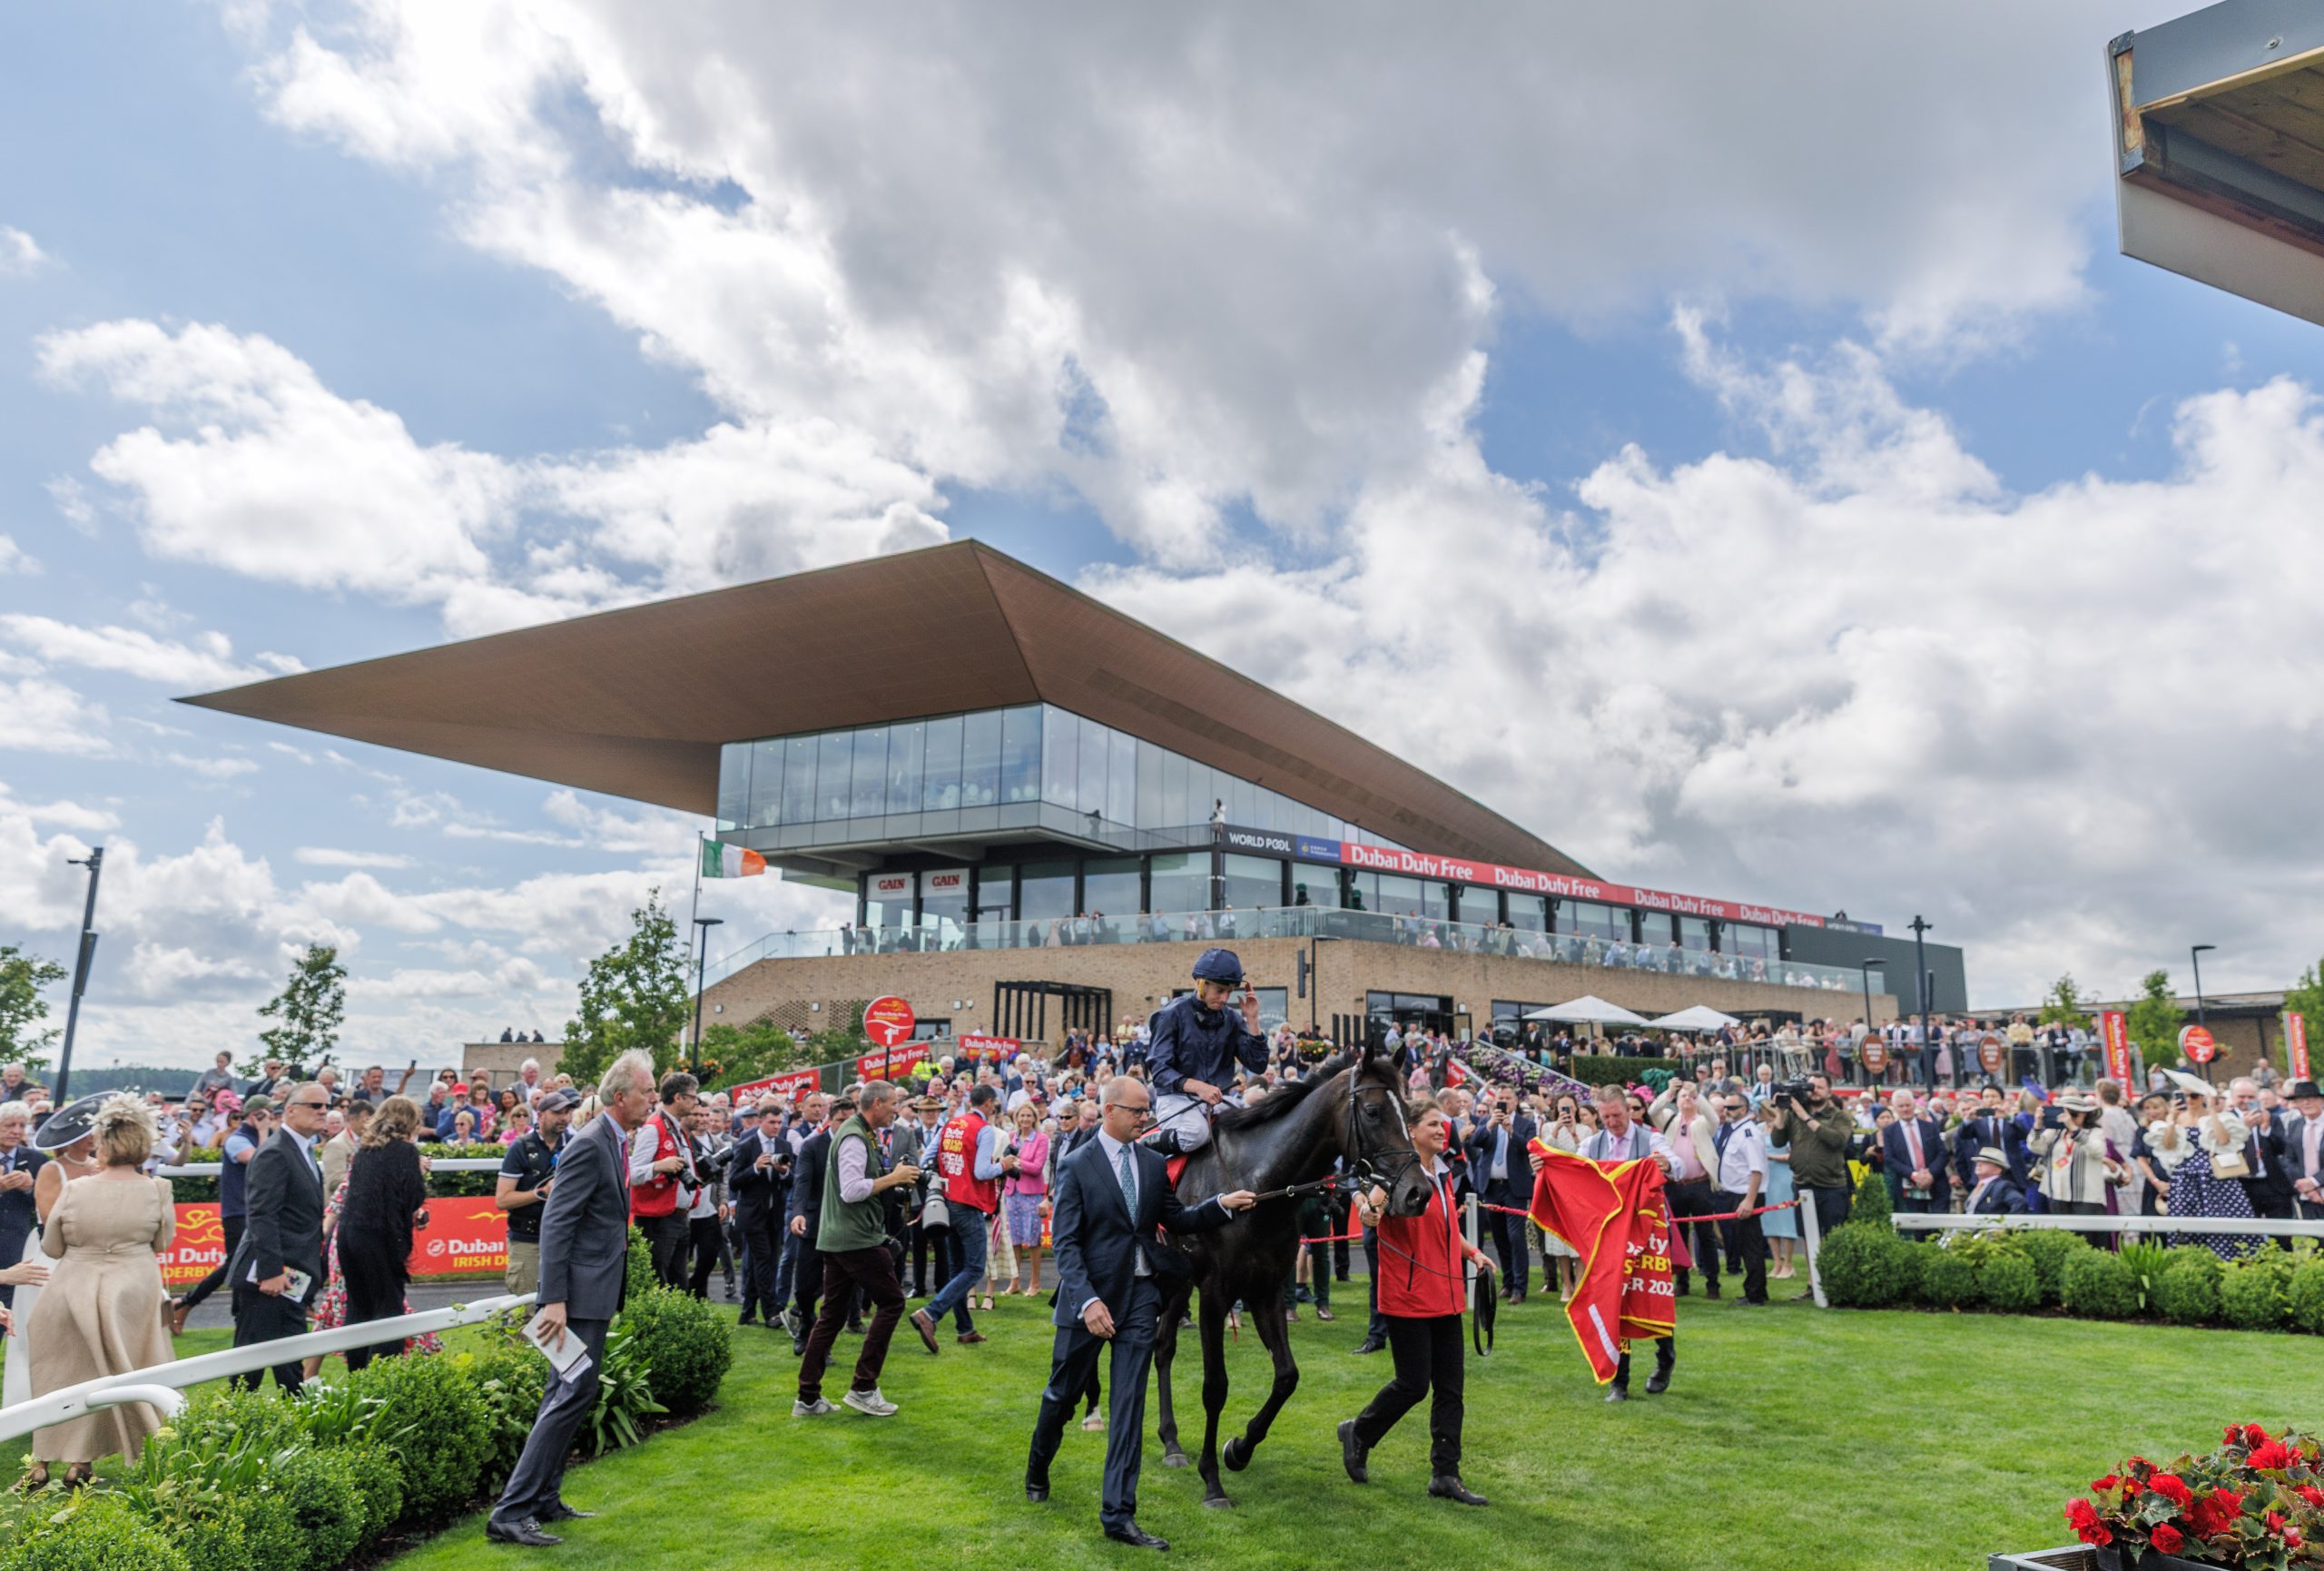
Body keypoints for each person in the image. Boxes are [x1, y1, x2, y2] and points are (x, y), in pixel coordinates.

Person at [1023, 1076, 1256, 1550]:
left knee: (1128, 1409)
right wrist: (1088, 1301)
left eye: (1147, 1109)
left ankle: (1118, 1516)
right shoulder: (1075, 1165)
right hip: (1088, 1301)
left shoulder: (1152, 1164)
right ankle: (1038, 1465)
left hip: (1140, 1298)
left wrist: (1220, 1205)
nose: (1146, 1117)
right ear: (1110, 1111)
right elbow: (1065, 1244)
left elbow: (1179, 1219)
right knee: (1062, 1398)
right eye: (1137, 1111)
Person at [487, 1050, 655, 1547]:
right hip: (575, 1297)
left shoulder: (613, 1139)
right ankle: (511, 1512)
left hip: (590, 1292)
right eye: (647, 1091)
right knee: (575, 1391)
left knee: (561, 1391)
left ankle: (542, 1499)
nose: (653, 1099)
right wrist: (553, 1299)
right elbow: (557, 1223)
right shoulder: (590, 1143)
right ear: (620, 1097)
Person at [1340, 1097, 1492, 1507]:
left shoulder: (1442, 1174)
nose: (1442, 1131)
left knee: (1450, 1389)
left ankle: (1446, 1473)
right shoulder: (1395, 1174)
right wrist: (1366, 1210)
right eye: (1432, 1125)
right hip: (1407, 1297)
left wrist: (1472, 1253)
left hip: (1445, 1296)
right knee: (1412, 1384)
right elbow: (1370, 1208)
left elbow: (1446, 1229)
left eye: (1443, 1125)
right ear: (1411, 1132)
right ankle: (1360, 1432)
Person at [24, 1097, 175, 1487]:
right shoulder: (158, 1188)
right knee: (131, 1374)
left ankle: (51, 1462)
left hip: (72, 1289)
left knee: (64, 1377)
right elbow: (163, 1242)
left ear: (101, 1142)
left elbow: (53, 1246)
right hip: (132, 1293)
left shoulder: (77, 1190)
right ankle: (88, 1462)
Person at [1539, 1083, 1677, 1402]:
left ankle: (1665, 1358)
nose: (1613, 1122)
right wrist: (1544, 1166)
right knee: (1614, 1305)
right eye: (1606, 1117)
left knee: (1652, 1301)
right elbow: (1573, 1175)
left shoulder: (1650, 1139)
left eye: (1617, 1115)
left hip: (1648, 1238)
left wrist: (1665, 1165)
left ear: (1629, 1110)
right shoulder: (1592, 1144)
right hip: (1610, 1239)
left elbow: (1677, 1166)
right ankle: (1620, 1381)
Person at [794, 1082, 920, 1418]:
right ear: (876, 1103)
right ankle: (863, 1388)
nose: (896, 1109)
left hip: (839, 1238)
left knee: (831, 1317)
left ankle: (807, 1397)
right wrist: (893, 1178)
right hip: (855, 1238)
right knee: (893, 1302)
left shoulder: (859, 1132)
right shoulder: (853, 1136)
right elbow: (851, 1190)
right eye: (893, 1103)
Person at [224, 1082, 328, 1394]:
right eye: (315, 1106)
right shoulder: (275, 1152)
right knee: (248, 1369)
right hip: (266, 1278)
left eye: (326, 1105)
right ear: (291, 1110)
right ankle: (230, 1431)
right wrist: (271, 1272)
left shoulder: (301, 1149)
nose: (323, 1111)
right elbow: (261, 1215)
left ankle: (301, 1428)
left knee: (290, 1363)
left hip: (291, 1276)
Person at [1141, 949, 1269, 1157]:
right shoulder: (1171, 1015)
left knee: (1255, 1127)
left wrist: (1253, 1021)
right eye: (1219, 990)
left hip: (1216, 1101)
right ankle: (1142, 1146)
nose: (1225, 998)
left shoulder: (1232, 1019)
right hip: (1176, 1098)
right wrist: (1198, 1087)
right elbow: (1159, 1070)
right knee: (1196, 1134)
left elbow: (1258, 1064)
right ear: (1201, 983)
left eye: (1229, 992)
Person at [911, 1083, 1008, 1352]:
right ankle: (930, 1313)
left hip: (946, 1200)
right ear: (988, 1103)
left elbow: (927, 1159)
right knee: (975, 1268)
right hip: (968, 1203)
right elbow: (982, 1172)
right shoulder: (984, 1129)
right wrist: (1005, 1165)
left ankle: (965, 1329)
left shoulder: (950, 1124)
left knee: (957, 1270)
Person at [337, 1095, 429, 1371]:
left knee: (358, 1306)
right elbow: (414, 1196)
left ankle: (357, 1377)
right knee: (389, 1309)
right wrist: (419, 1170)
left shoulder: (365, 1149)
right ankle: (381, 1380)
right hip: (379, 1237)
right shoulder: (405, 1152)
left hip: (349, 1235)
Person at [171, 1094, 273, 1333]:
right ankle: (187, 1303)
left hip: (251, 1211)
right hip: (238, 1212)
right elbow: (262, 1161)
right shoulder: (237, 1140)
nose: (273, 1118)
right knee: (236, 1264)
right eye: (268, 1114)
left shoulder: (257, 1137)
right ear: (256, 1115)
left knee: (242, 1264)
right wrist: (264, 1131)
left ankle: (230, 1314)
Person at [629, 1072, 701, 1289]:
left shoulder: (676, 1128)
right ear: (678, 1097)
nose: (696, 1102)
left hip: (678, 1216)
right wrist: (659, 1166)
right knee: (659, 1281)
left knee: (679, 1282)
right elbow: (631, 1173)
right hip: (659, 1219)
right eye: (692, 1097)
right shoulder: (654, 1128)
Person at [1463, 1088, 1536, 1304]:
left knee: (1515, 1237)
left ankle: (1520, 1288)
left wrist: (1512, 1131)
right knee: (1500, 1238)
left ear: (1515, 1102)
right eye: (1500, 1099)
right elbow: (1475, 1142)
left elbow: (1529, 1148)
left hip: (1514, 1189)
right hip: (1492, 1188)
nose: (1503, 1102)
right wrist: (1490, 1124)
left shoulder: (1526, 1124)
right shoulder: (1488, 1121)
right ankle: (1508, 1282)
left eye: (1507, 1099)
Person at [729, 1101, 791, 1327]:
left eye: (779, 1123)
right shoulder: (746, 1145)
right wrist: (755, 1168)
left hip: (775, 1214)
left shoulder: (784, 1145)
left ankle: (747, 1312)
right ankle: (771, 1312)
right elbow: (734, 1181)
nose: (776, 1127)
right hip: (752, 1215)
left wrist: (784, 1172)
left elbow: (791, 1181)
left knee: (762, 1263)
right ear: (760, 1121)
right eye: (772, 1122)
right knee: (765, 1261)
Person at [1772, 1074, 1853, 1240]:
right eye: (1810, 1087)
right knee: (1809, 1238)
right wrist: (1780, 1112)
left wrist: (1806, 1117)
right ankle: (1812, 1268)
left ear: (1829, 1092)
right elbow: (1777, 1141)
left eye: (1820, 1087)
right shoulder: (1794, 1115)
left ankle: (1830, 1268)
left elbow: (1837, 1140)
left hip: (1831, 1187)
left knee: (1834, 1238)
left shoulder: (1839, 1116)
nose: (1814, 1091)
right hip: (1802, 1184)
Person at [1710, 1092, 1768, 1304]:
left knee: (1750, 1245)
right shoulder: (1736, 1130)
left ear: (1743, 1110)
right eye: (1725, 1107)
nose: (1726, 1111)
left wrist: (1749, 1200)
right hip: (1735, 1193)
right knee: (1745, 1244)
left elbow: (1756, 1170)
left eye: (1731, 1108)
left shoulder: (1748, 1133)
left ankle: (1755, 1294)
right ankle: (1757, 1289)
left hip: (1746, 1194)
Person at [0, 1102, 45, 1316]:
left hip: (16, 1247)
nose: (16, 1131)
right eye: (9, 1125)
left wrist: (31, 1188)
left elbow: (49, 1205)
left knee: (8, 1313)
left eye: (21, 1125)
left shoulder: (37, 1159)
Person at [1001, 1102, 1050, 1297]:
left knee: (1033, 1239)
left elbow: (1037, 1167)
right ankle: (1015, 1282)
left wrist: (1017, 1162)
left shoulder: (1041, 1139)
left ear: (1034, 1118)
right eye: (1022, 1116)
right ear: (1017, 1118)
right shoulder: (1011, 1137)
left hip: (1031, 1194)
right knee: (1014, 1238)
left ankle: (1035, 1283)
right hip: (1012, 1193)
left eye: (1029, 1116)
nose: (1025, 1120)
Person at [1879, 1092, 1951, 1221]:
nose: (1905, 1109)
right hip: (1909, 1186)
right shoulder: (1889, 1131)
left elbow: (1942, 1153)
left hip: (1936, 1183)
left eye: (1908, 1105)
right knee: (1916, 1227)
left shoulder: (1930, 1127)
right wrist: (1913, 1175)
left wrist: (1930, 1173)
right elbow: (1889, 1158)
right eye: (1901, 1106)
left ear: (1914, 1106)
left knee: (1939, 1225)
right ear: (1895, 1108)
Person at [1755, 1102, 1799, 1280]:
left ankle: (1789, 1263)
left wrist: (1770, 1156)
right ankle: (1777, 1263)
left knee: (1786, 1221)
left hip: (1783, 1178)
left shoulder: (1784, 1128)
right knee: (1769, 1221)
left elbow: (1793, 1155)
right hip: (1766, 1180)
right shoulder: (1758, 1128)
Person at [2283, 1080, 2323, 1221]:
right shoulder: (2295, 1125)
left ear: (2321, 1101)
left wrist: (2314, 1181)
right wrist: (2306, 1186)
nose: (2306, 1103)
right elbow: (2288, 1159)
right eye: (2300, 1099)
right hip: (2306, 1195)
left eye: (2311, 1098)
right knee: (2313, 1241)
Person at [318, 1098, 372, 1200]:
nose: (369, 1125)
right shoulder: (336, 1145)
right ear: (352, 1119)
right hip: (340, 1207)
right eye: (365, 1121)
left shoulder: (369, 1141)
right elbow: (333, 1181)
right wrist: (368, 1178)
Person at [1963, 1146, 2028, 1215]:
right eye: (1978, 1161)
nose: (1979, 1164)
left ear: (1998, 1169)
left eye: (1985, 1162)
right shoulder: (1976, 1187)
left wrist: (2004, 1224)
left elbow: (2020, 1203)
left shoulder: (2002, 1186)